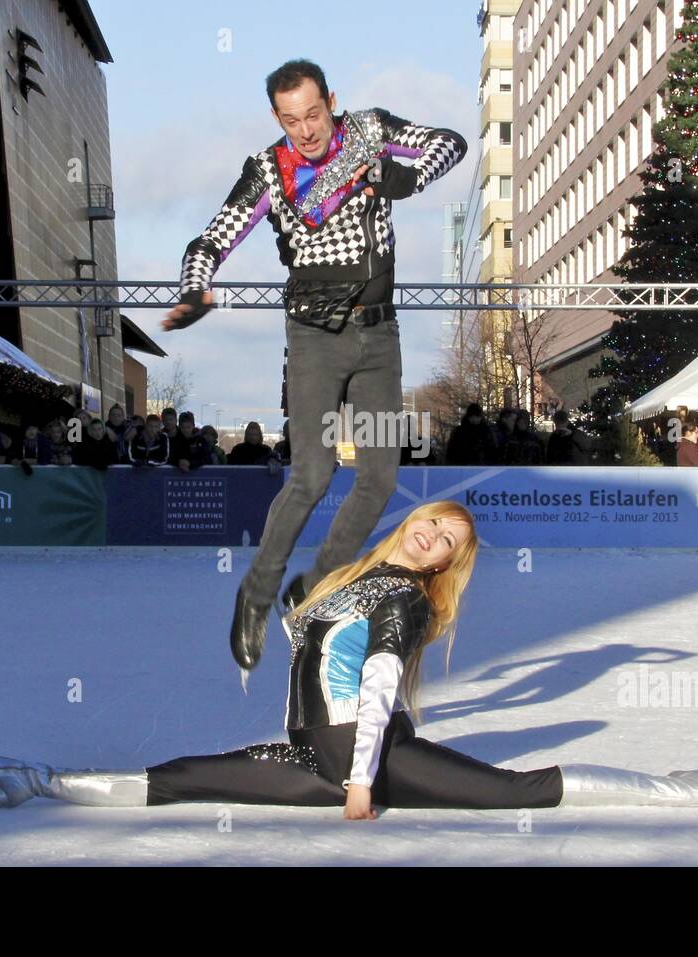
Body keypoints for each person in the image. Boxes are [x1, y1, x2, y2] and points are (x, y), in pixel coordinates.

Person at [0, 500, 698, 817]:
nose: (430, 537)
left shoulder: (402, 599)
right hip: (312, 756)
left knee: (520, 788)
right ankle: (27, 777)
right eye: (431, 523)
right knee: (179, 776)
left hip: (371, 761)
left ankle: (687, 790)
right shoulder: (354, 579)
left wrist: (367, 778)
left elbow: (376, 682)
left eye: (446, 541)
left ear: (447, 564)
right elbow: (309, 671)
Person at [161, 58, 468, 675]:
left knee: (380, 478)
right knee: (312, 474)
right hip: (314, 342)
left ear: (331, 100)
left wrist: (397, 177)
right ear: (277, 118)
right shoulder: (269, 173)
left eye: (313, 114)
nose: (306, 130)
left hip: (379, 340)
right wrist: (196, 287)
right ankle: (255, 594)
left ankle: (318, 585)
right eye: (290, 119)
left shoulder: (371, 132)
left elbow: (450, 144)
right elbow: (211, 239)